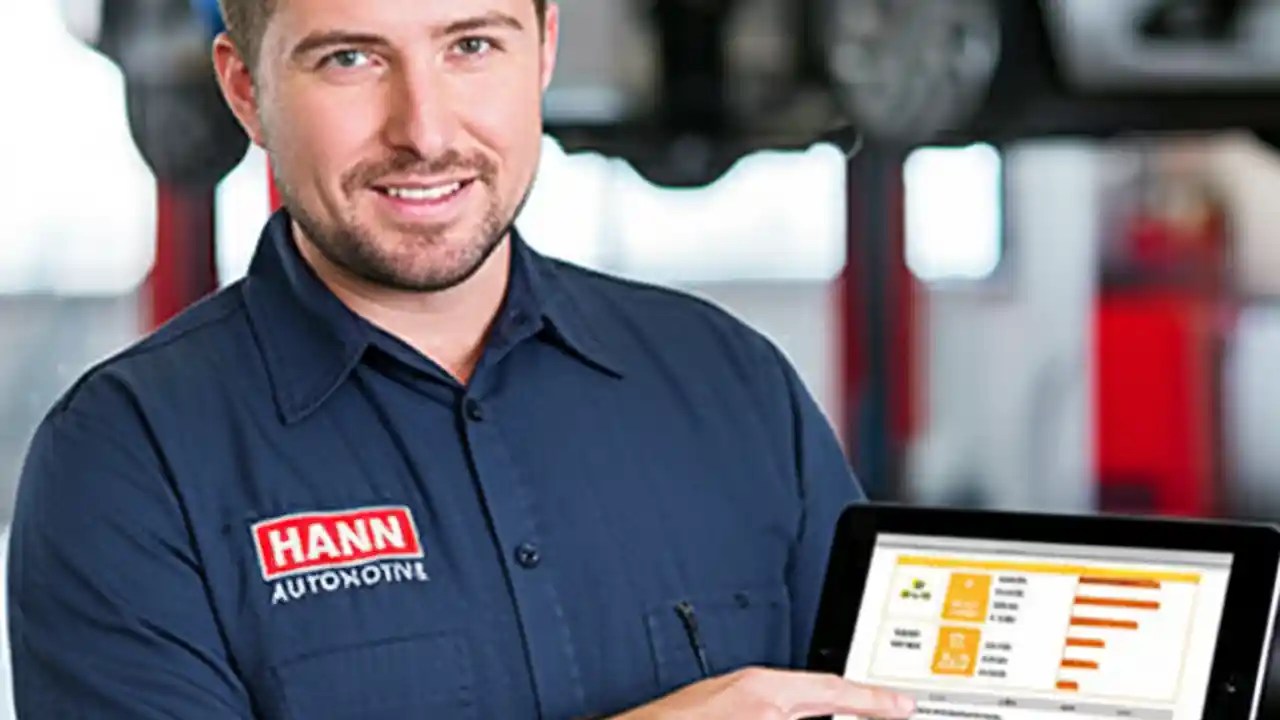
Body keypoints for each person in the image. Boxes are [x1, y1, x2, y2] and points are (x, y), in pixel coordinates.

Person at [6, 0, 916, 718]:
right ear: (245, 90)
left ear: (545, 47)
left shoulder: (731, 386)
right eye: (350, 58)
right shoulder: (126, 464)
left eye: (472, 45)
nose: (426, 130)